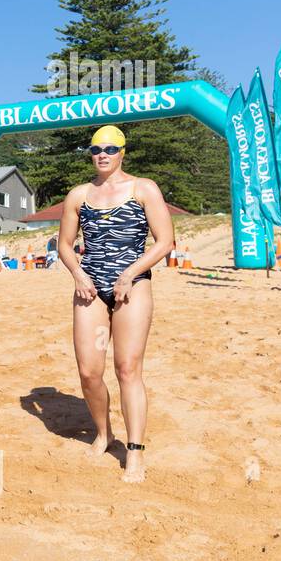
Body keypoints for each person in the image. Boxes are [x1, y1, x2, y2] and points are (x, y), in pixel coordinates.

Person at [56, 125, 174, 484]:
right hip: (90, 286)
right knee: (90, 371)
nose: (102, 154)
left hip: (132, 285)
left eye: (109, 148)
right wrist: (78, 274)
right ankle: (103, 432)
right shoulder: (79, 194)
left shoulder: (143, 188)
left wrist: (130, 274)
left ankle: (135, 451)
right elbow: (64, 244)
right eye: (95, 149)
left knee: (127, 368)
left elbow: (165, 241)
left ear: (123, 151)